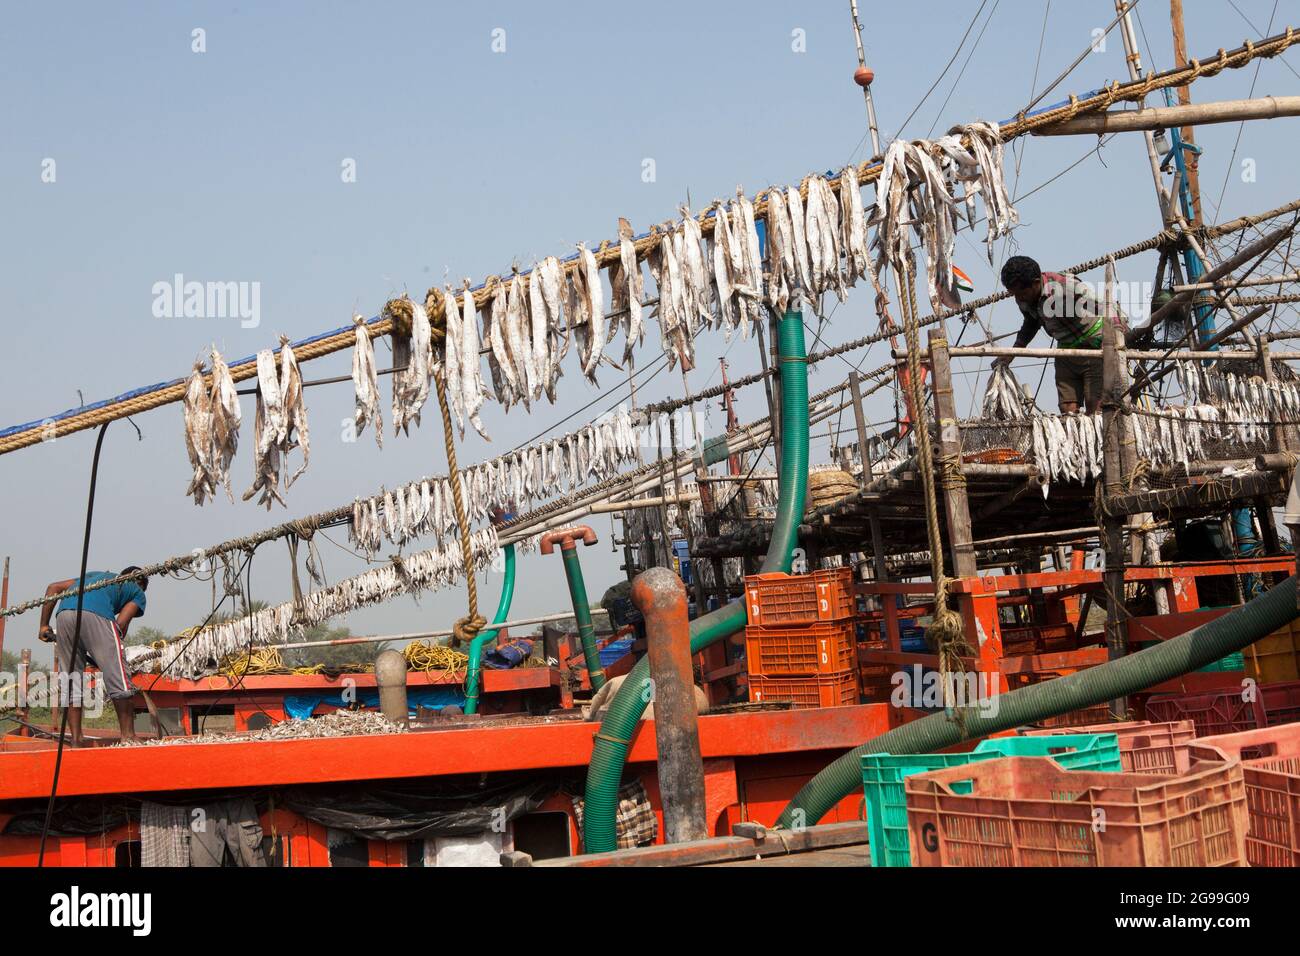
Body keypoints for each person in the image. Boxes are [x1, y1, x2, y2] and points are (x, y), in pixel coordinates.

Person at [994, 255, 1125, 415]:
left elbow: (1106, 307)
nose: (1018, 298)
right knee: (1067, 408)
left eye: (1021, 293)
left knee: (1096, 407)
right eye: (1014, 293)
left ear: (1036, 283)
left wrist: (1117, 335)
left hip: (1093, 346)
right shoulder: (1022, 298)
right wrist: (1012, 353)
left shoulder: (1064, 287)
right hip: (1066, 349)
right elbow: (1030, 323)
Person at [37, 566, 149, 746]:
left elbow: (53, 588)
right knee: (118, 676)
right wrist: (110, 655)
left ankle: (76, 739)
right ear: (141, 583)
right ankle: (128, 736)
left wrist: (43, 625)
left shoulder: (93, 576)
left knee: (71, 679)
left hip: (63, 614)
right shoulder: (137, 591)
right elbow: (120, 624)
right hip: (97, 615)